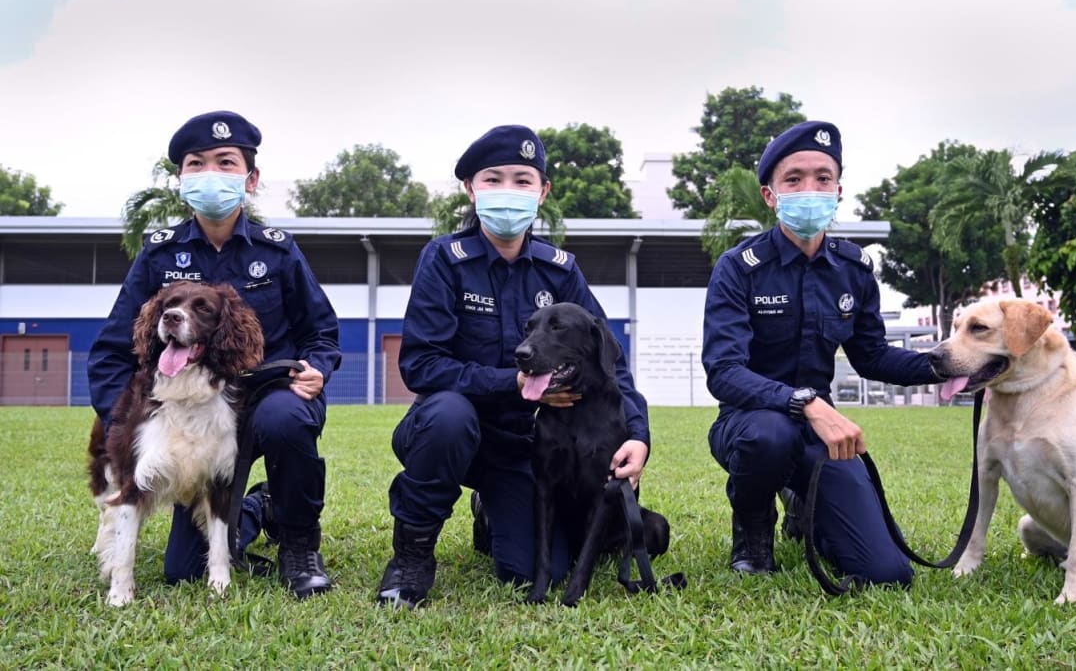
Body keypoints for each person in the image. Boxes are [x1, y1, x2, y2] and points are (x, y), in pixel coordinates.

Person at [376, 125, 662, 609]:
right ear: (471, 189)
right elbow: (421, 366)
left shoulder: (560, 269)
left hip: (520, 449)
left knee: (531, 569)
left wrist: (638, 434)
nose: (508, 191)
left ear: (543, 191)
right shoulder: (446, 260)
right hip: (448, 432)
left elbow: (608, 360)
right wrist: (512, 383)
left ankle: (490, 510)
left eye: (523, 180)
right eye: (493, 179)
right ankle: (412, 557)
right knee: (450, 415)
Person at [88, 110, 342, 599]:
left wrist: (317, 370)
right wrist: (126, 425)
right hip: (189, 417)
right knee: (183, 570)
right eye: (196, 163)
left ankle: (299, 546)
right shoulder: (158, 254)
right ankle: (253, 510)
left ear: (250, 177)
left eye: (226, 163)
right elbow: (112, 351)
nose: (211, 174)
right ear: (180, 178)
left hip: (268, 399)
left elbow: (322, 332)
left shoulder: (279, 251)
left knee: (288, 419)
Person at [701, 120, 942, 587]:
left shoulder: (853, 269)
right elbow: (723, 372)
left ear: (838, 190)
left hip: (818, 435)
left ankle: (805, 508)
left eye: (822, 178)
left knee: (886, 573)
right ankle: (752, 533)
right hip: (749, 423)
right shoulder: (739, 268)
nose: (809, 189)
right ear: (770, 195)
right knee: (770, 435)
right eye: (793, 179)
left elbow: (871, 356)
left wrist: (946, 366)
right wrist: (807, 403)